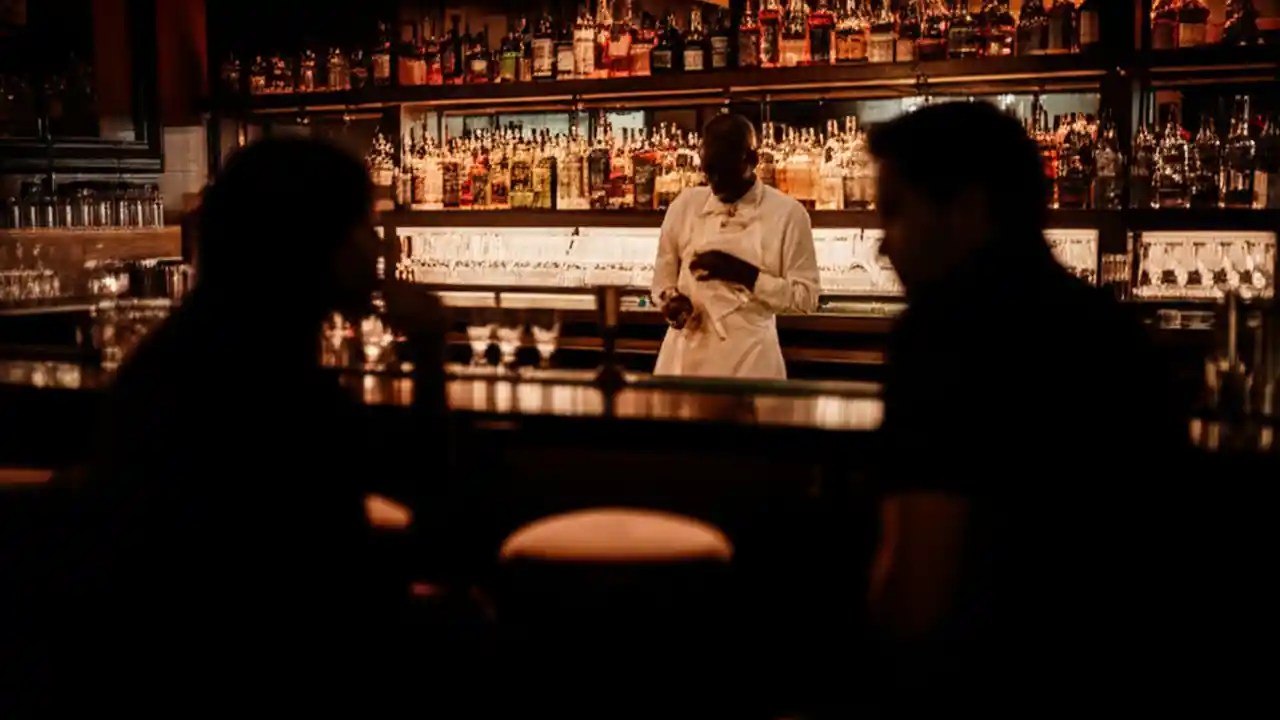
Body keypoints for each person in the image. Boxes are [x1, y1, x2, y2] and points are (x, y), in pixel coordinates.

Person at [18, 137, 444, 714]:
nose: (379, 246)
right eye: (365, 226)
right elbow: (397, 544)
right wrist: (429, 349)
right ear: (317, 241)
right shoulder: (270, 382)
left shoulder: (192, 349)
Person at [865, 102, 1188, 713]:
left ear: (965, 210)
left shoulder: (941, 335)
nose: (883, 245)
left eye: (895, 211)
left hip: (984, 680)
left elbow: (916, 594)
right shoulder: (1114, 328)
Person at [651, 113, 820, 379]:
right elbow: (662, 281)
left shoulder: (788, 214)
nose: (715, 182)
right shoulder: (684, 206)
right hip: (683, 361)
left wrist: (745, 274)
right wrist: (671, 303)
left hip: (752, 362)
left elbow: (806, 299)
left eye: (724, 170)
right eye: (709, 171)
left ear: (752, 160)